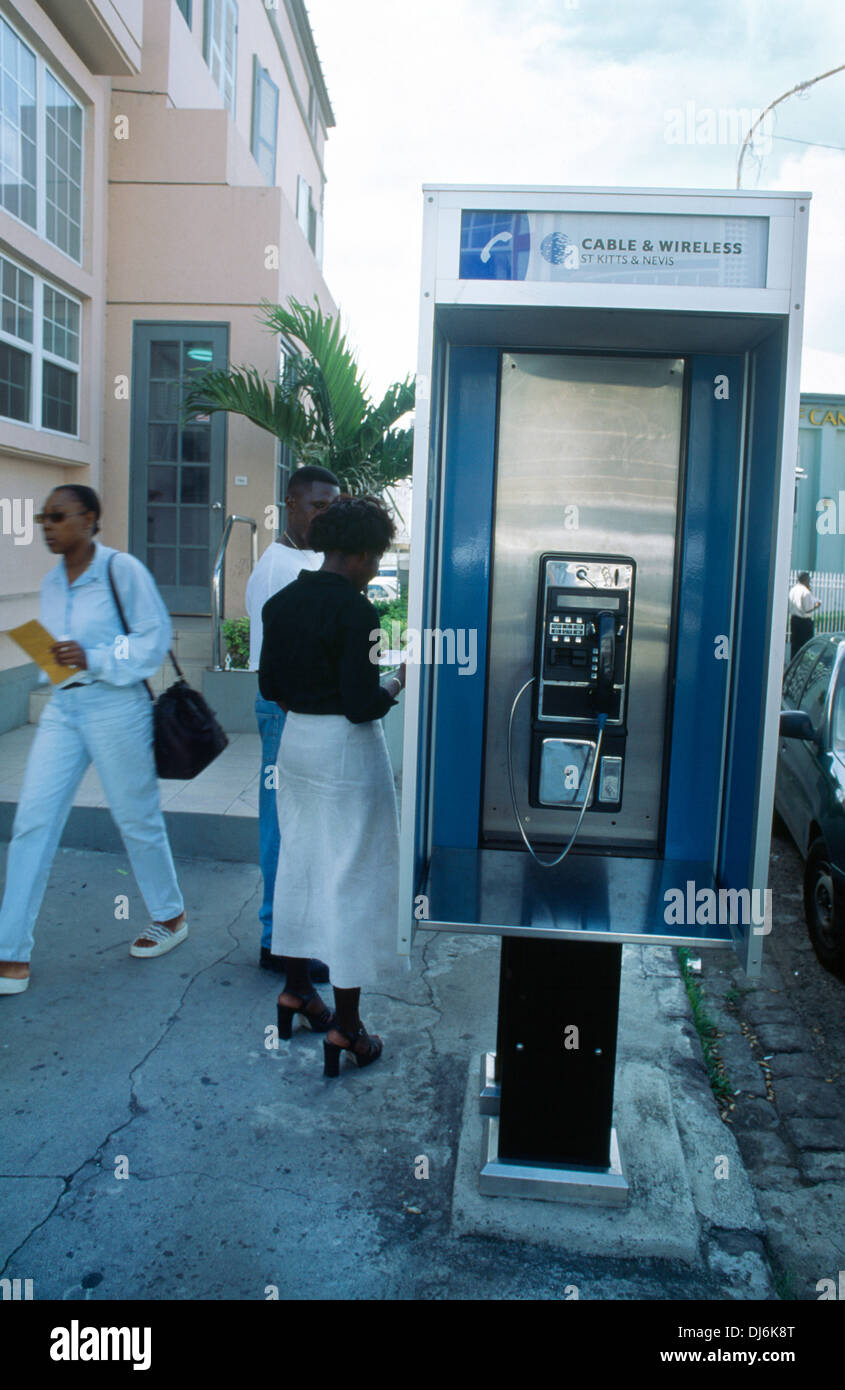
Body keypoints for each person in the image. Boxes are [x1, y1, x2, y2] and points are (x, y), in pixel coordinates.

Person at [0, 486, 187, 996]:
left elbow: (152, 638)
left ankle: (170, 916)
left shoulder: (120, 570)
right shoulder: (51, 582)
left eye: (57, 516)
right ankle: (10, 950)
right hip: (66, 708)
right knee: (33, 821)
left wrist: (95, 656)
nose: (47, 525)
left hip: (115, 706)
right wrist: (53, 657)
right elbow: (62, 652)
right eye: (43, 517)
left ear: (90, 519)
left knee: (136, 817)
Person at [258, 495, 405, 1077]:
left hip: (296, 747)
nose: (376, 567)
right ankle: (348, 1026)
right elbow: (361, 704)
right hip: (347, 753)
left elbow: (271, 685)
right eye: (378, 557)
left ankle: (297, 991)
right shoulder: (360, 613)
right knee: (353, 877)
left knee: (300, 865)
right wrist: (399, 679)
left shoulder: (280, 602)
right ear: (364, 553)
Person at [245, 465, 340, 975]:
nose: (326, 514)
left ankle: (288, 935)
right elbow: (283, 659)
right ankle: (278, 941)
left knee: (301, 828)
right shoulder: (280, 567)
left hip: (299, 707)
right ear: (291, 503)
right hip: (285, 710)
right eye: (318, 505)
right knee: (283, 829)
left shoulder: (307, 559)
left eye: (333, 505)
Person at [788, 570, 821, 662]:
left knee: (795, 644)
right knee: (806, 645)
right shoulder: (805, 592)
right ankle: (803, 664)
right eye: (809, 579)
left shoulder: (793, 590)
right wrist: (816, 606)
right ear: (805, 579)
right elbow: (807, 609)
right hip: (804, 622)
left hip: (794, 620)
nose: (809, 581)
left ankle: (793, 663)